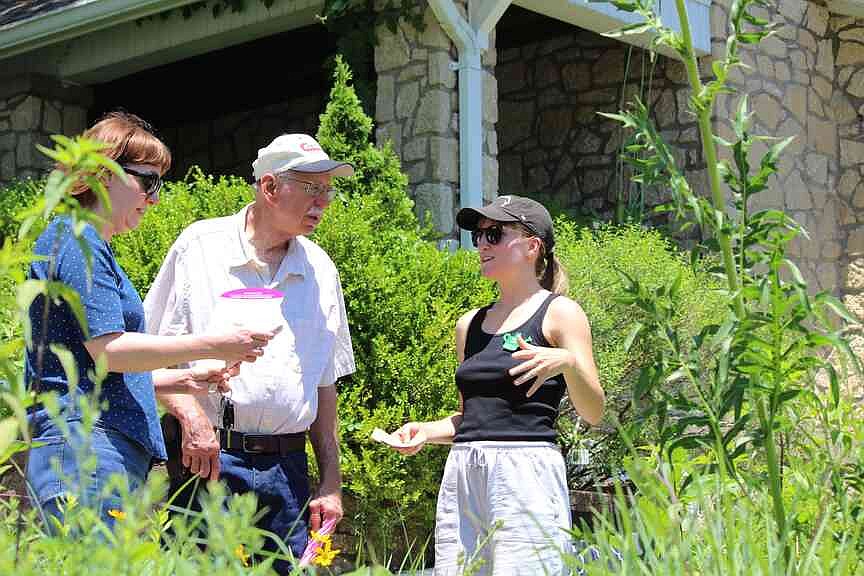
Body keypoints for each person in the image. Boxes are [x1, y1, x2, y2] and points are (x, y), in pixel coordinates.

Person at [25, 111, 274, 527]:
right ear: (105, 174)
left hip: (97, 447)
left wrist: (184, 381)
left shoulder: (85, 244)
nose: (155, 198)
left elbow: (91, 367)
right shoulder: (77, 239)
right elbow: (112, 352)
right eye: (149, 181)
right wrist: (215, 342)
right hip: (87, 448)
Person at [144, 133, 355, 571]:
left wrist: (331, 481)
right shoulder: (199, 246)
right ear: (271, 187)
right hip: (207, 460)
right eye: (312, 188)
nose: (324, 201)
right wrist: (191, 416)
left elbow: (324, 386)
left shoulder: (321, 270)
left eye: (328, 189)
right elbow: (149, 354)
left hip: (288, 472)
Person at [385, 195, 605, 575]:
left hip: (526, 472)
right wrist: (425, 432)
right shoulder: (468, 325)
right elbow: (472, 419)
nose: (482, 244)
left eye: (494, 234)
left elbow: (594, 410)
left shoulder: (560, 313)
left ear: (532, 246)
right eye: (478, 235)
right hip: (466, 471)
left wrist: (567, 362)